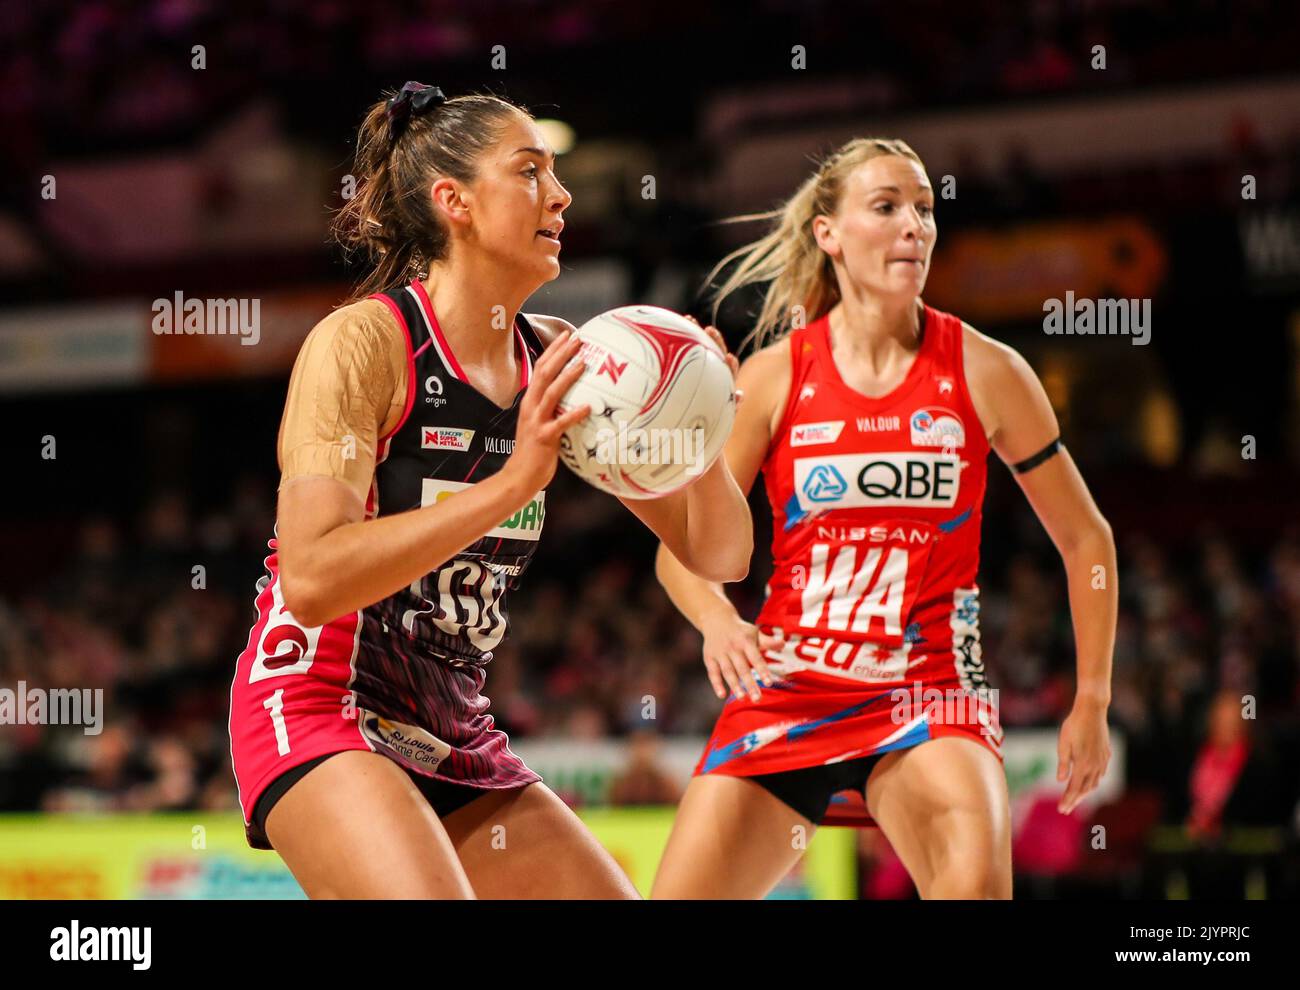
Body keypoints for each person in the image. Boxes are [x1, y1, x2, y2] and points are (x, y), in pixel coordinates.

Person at [228, 83, 751, 899]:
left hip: (450, 728)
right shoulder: (364, 342)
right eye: (531, 171)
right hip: (320, 700)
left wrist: (705, 422)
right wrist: (514, 483)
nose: (563, 193)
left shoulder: (565, 357)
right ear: (454, 202)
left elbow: (719, 551)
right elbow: (314, 575)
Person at [651, 137, 1116, 899]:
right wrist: (717, 622)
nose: (915, 227)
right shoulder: (773, 378)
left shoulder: (987, 368)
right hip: (789, 687)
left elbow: (1086, 537)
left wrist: (1092, 699)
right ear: (827, 234)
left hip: (928, 693)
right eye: (887, 207)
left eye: (925, 209)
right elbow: (685, 551)